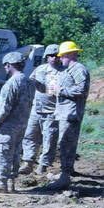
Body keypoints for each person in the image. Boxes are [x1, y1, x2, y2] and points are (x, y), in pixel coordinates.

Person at [0, 51, 34, 193]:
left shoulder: (11, 84)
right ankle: (11, 184)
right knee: (15, 153)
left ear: (8, 65)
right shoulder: (29, 82)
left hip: (8, 125)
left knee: (2, 152)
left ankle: (1, 183)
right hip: (22, 125)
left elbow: (4, 107)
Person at [47, 40, 91, 190]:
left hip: (71, 114)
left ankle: (65, 176)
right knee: (65, 143)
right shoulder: (68, 71)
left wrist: (61, 91)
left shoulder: (78, 69)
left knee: (66, 144)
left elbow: (82, 90)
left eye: (63, 56)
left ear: (72, 54)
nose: (60, 59)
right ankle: (66, 172)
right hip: (65, 113)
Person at [19, 44, 62, 177]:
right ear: (46, 57)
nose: (53, 58)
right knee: (30, 136)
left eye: (56, 55)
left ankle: (43, 166)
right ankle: (28, 162)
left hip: (51, 111)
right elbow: (30, 82)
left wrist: (42, 87)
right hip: (36, 109)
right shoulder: (40, 69)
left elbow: (59, 92)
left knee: (49, 139)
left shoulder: (64, 72)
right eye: (50, 55)